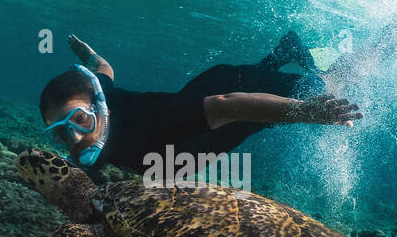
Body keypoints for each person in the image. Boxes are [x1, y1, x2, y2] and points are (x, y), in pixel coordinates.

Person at [38, 32, 362, 174]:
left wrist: (304, 110)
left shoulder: (153, 122)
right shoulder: (99, 96)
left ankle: (388, 41)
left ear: (97, 108)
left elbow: (227, 105)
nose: (75, 139)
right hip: (211, 92)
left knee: (331, 82)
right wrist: (90, 56)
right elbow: (103, 72)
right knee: (259, 78)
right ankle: (283, 53)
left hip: (237, 100)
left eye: (79, 120)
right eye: (59, 133)